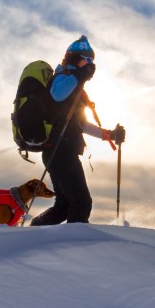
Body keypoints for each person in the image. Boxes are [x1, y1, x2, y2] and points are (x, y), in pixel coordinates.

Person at [31, 35, 126, 225]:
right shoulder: (63, 77)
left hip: (60, 151)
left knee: (64, 205)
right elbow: (57, 95)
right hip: (59, 150)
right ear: (74, 57)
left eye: (92, 61)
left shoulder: (76, 88)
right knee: (81, 203)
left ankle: (34, 233)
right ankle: (73, 250)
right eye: (87, 59)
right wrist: (79, 76)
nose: (90, 64)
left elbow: (81, 124)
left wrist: (110, 134)